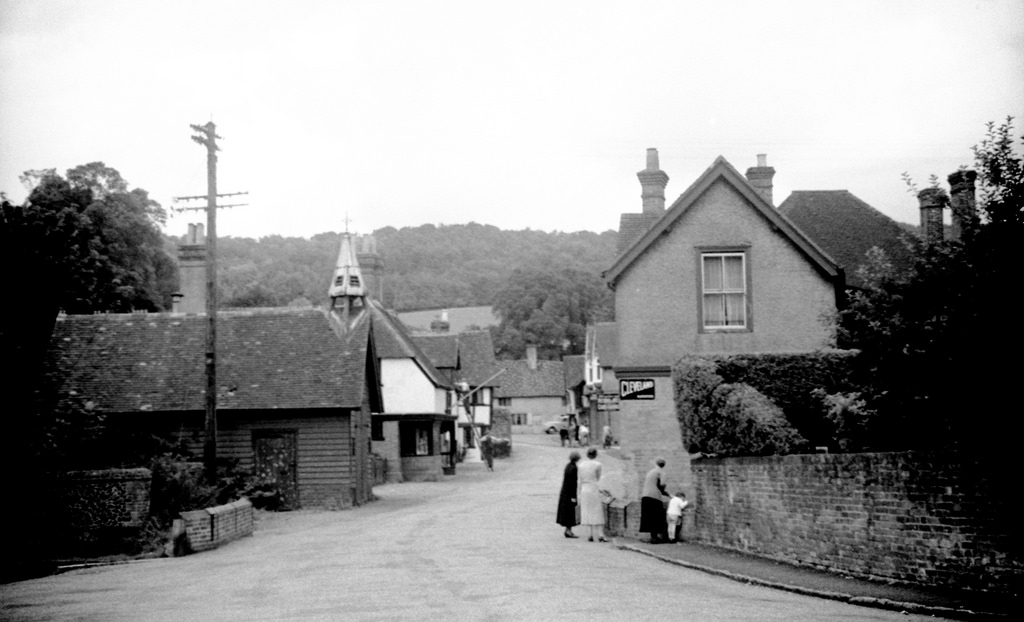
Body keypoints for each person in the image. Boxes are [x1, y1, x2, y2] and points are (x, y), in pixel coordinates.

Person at [576, 447, 608, 542]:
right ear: (595, 455)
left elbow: (580, 479)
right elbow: (598, 477)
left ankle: (591, 534)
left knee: (588, 511)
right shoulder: (598, 464)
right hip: (593, 487)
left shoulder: (581, 465)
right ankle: (600, 534)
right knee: (597, 510)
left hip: (584, 488)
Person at [639, 458, 669, 543]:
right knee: (656, 517)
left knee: (648, 517)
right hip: (655, 496)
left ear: (656, 464)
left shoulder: (650, 472)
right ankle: (654, 538)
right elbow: (662, 484)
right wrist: (666, 493)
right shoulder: (662, 472)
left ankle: (653, 537)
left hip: (645, 495)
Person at [556, 451, 581, 538]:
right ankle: (568, 531)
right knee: (570, 513)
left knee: (567, 512)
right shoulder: (574, 468)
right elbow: (573, 483)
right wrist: (573, 496)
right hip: (569, 493)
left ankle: (568, 530)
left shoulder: (568, 466)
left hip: (565, 492)